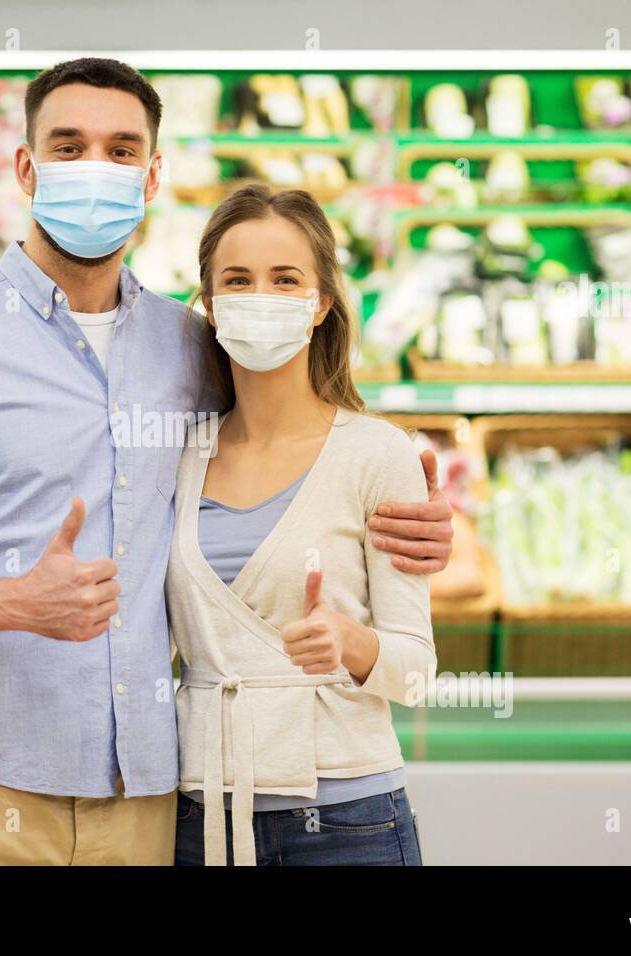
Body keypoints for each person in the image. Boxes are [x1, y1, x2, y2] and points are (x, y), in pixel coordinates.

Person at [0, 58, 452, 866]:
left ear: (151, 176)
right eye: (69, 146)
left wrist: (408, 522)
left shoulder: (188, 346)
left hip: (153, 797)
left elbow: (288, 441)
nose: (96, 168)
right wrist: (15, 601)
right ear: (26, 168)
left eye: (121, 151)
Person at [169, 184, 433, 866]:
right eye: (238, 280)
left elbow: (417, 674)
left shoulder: (377, 454)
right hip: (203, 818)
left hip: (349, 821)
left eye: (285, 279)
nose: (261, 295)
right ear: (210, 305)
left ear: (320, 304)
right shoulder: (176, 456)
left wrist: (351, 642)